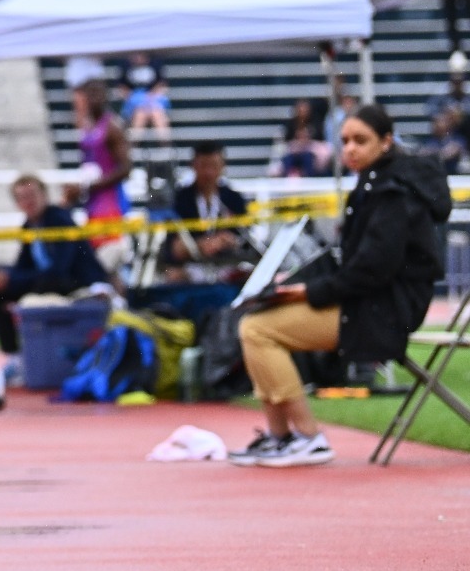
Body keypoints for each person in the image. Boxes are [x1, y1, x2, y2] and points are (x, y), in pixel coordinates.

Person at [232, 106, 450, 468]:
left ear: (386, 141)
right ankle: (279, 436)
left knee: (258, 330)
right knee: (257, 319)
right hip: (368, 301)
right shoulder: (374, 184)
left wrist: (310, 292)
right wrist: (297, 284)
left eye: (360, 141)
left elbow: (372, 270)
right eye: (345, 141)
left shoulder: (393, 193)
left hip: (384, 312)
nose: (350, 149)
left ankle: (304, 436)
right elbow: (355, 264)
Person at [0, 174, 107, 353]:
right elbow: (23, 265)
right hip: (48, 280)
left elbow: (59, 269)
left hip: (75, 281)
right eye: (22, 198)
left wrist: (13, 280)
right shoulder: (28, 226)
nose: (28, 202)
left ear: (44, 195)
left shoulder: (59, 220)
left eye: (32, 195)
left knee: (33, 280)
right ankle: (12, 354)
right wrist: (7, 280)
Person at [163, 140, 251, 278]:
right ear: (193, 166)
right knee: (173, 275)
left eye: (214, 166)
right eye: (203, 166)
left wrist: (227, 241)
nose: (208, 173)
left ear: (223, 167)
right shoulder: (180, 199)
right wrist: (200, 245)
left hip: (227, 264)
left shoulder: (234, 199)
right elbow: (174, 247)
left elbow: (246, 239)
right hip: (190, 266)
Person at [73, 77, 132, 227]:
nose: (95, 98)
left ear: (106, 96)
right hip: (93, 200)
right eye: (91, 94)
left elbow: (126, 168)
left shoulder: (112, 127)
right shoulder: (87, 125)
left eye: (98, 93)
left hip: (110, 199)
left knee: (109, 246)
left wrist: (92, 185)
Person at [415, 106, 467, 174]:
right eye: (434, 123)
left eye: (439, 122)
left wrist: (431, 154)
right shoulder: (428, 141)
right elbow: (420, 155)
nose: (435, 126)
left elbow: (447, 154)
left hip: (453, 177)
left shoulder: (457, 140)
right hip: (433, 176)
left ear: (447, 125)